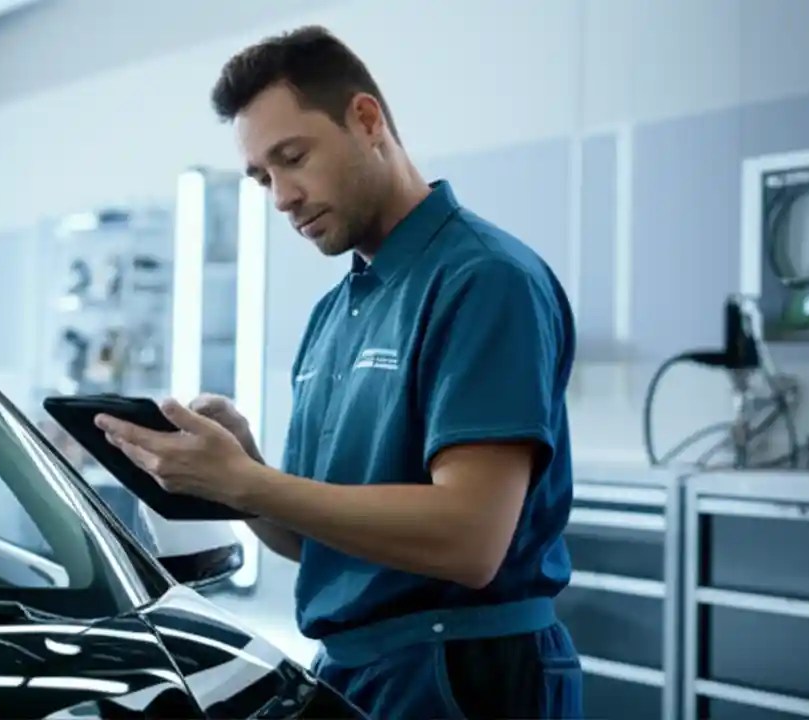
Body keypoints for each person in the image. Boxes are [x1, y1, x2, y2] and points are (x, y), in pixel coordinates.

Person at [94, 24, 582, 720]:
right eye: (263, 177)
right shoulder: (336, 313)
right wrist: (245, 469)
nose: (282, 197)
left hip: (466, 674)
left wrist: (248, 482)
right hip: (352, 670)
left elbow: (470, 538)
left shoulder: (484, 280)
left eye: (293, 158)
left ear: (366, 119)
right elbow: (312, 537)